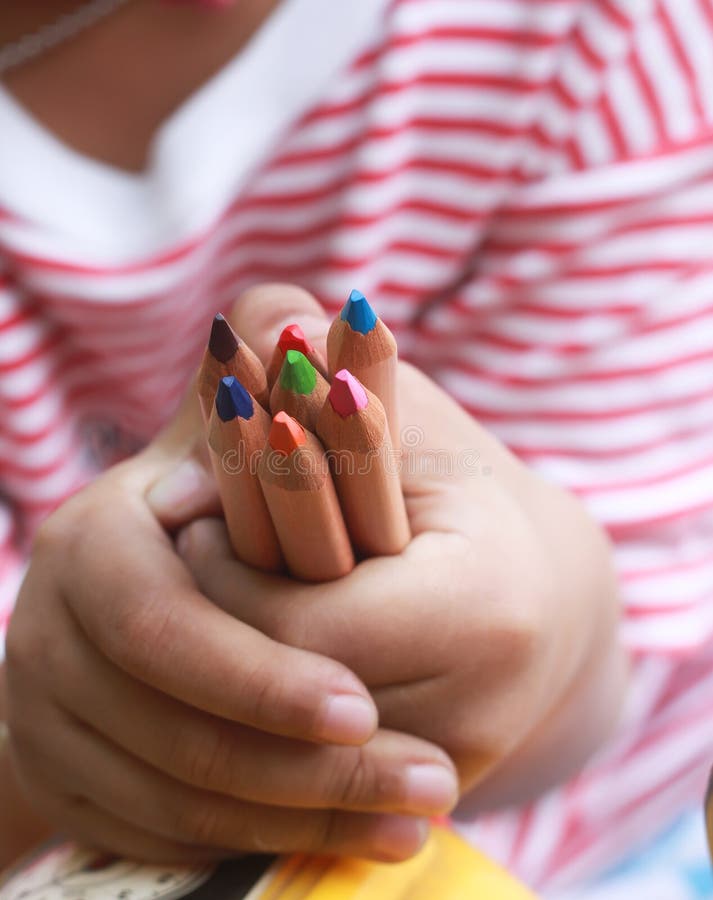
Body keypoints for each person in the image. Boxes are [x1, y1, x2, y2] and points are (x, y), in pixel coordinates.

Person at [0, 1, 710, 897]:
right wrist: (49, 742)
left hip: (604, 855)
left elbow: (653, 613)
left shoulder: (581, 38)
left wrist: (563, 616)